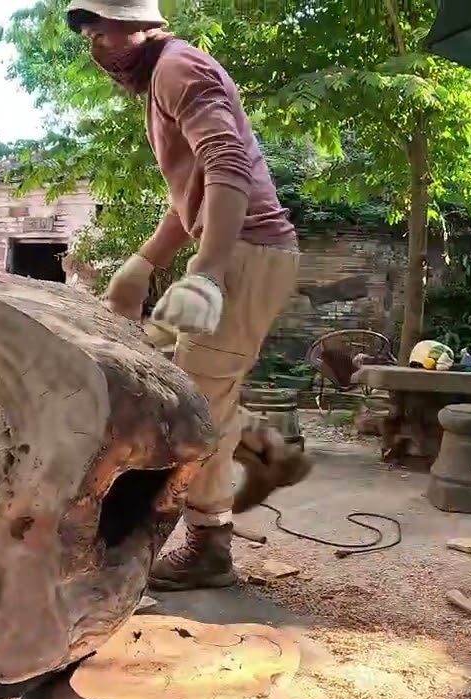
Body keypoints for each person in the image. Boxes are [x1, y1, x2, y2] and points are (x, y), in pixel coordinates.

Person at [65, 0, 306, 591]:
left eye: (112, 28)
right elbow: (193, 195)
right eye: (92, 32)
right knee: (163, 368)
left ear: (150, 25)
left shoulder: (178, 69)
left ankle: (208, 543)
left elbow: (227, 166)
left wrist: (213, 267)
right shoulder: (166, 78)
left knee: (196, 401)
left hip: (244, 253)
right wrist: (146, 262)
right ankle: (263, 446)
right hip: (231, 250)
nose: (101, 45)